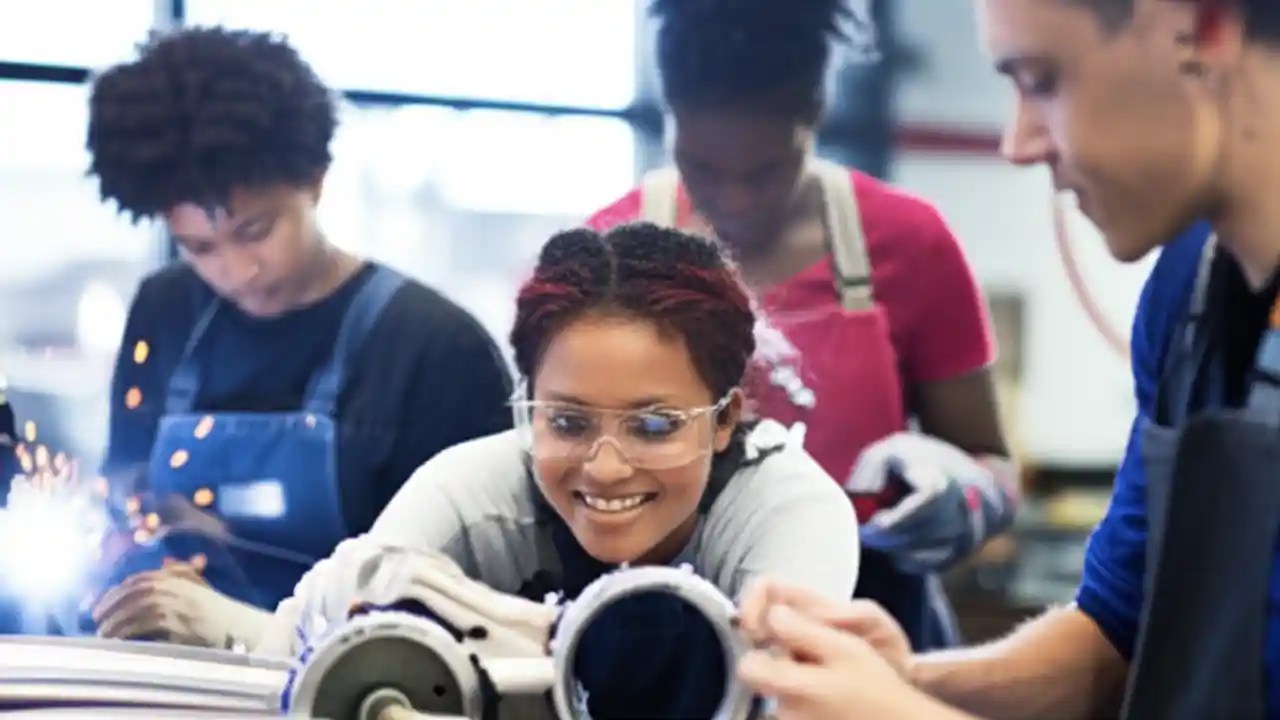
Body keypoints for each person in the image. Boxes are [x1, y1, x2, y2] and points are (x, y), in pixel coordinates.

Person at [731, 0, 1280, 718]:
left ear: (1202, 26)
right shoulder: (1189, 298)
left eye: (1042, 80)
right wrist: (903, 678)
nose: (1018, 143)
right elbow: (1114, 639)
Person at [93, 223, 861, 718]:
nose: (605, 466)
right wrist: (245, 630)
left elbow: (787, 698)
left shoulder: (789, 513)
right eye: (566, 421)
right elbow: (332, 643)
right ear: (526, 405)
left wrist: (500, 639)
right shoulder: (472, 493)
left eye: (655, 425)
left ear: (727, 416)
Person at [587, 0, 1018, 652]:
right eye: (704, 168)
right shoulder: (607, 253)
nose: (733, 202)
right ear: (669, 115)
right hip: (663, 643)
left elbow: (995, 465)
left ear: (814, 113)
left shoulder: (909, 242)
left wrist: (965, 496)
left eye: (765, 171)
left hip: (867, 635)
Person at [84, 27, 513, 628]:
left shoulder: (436, 348)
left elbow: (462, 603)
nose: (235, 270)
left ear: (314, 180)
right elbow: (125, 487)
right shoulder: (166, 311)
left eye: (255, 231)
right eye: (198, 246)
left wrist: (249, 629)